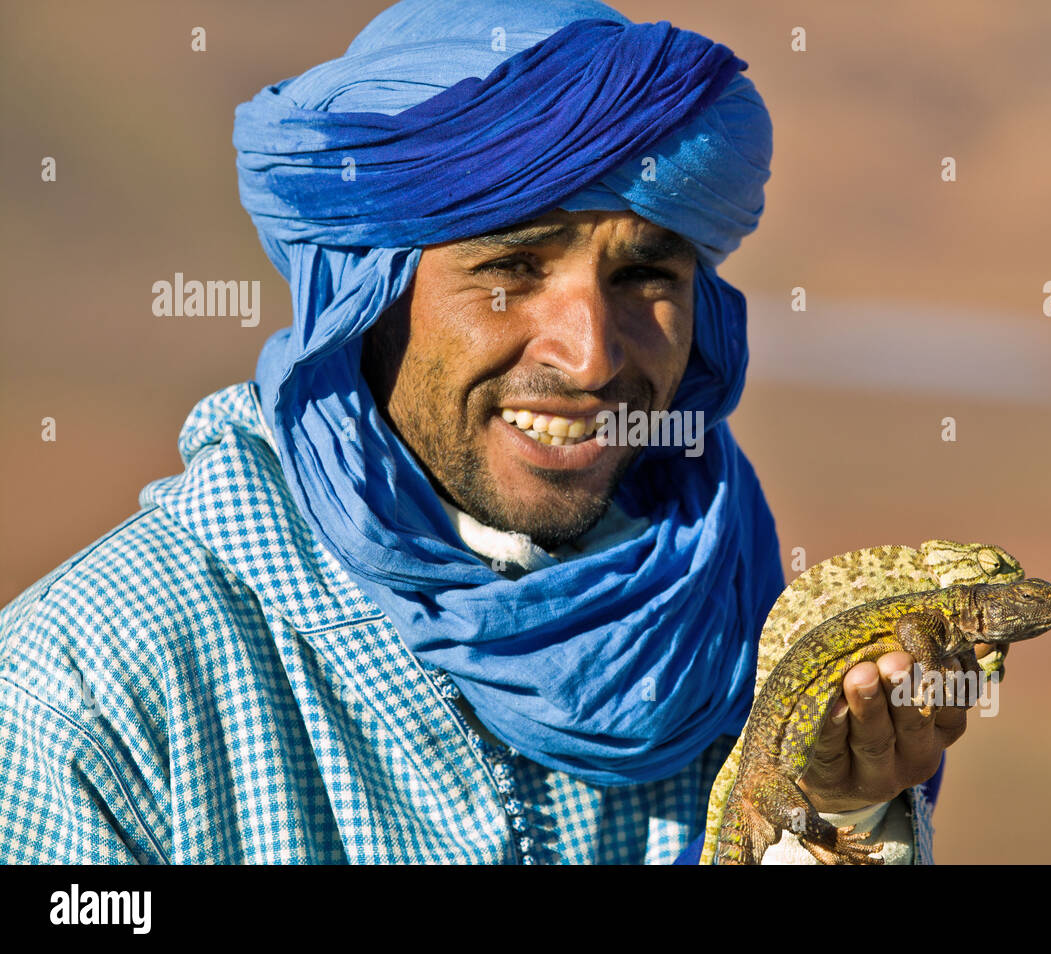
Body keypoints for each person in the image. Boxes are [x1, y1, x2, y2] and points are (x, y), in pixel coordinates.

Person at [0, 0, 959, 864]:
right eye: (510, 270)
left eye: (644, 278)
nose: (591, 358)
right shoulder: (90, 695)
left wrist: (832, 821)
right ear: (363, 299)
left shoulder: (727, 624)